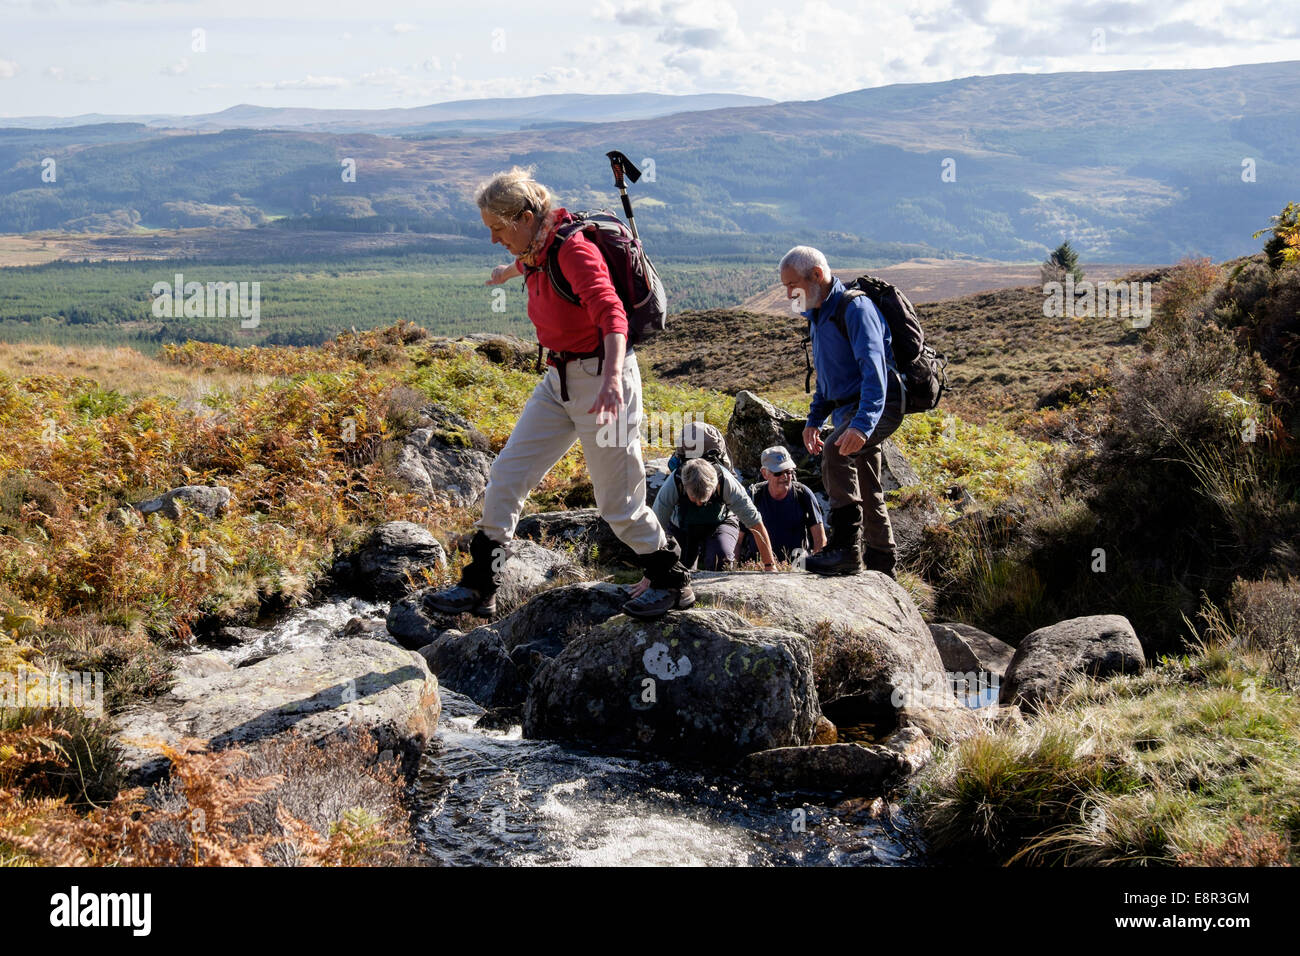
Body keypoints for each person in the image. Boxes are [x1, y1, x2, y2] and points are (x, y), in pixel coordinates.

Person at [426, 167, 692, 619]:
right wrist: (507, 272)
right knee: (507, 475)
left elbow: (612, 315)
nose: (493, 239)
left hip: (603, 383)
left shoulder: (573, 251)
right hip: (560, 380)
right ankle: (481, 586)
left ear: (525, 217)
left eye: (497, 229)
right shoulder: (536, 245)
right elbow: (528, 261)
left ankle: (671, 580)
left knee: (619, 504)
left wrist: (610, 381)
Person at [781, 246, 905, 578]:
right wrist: (815, 420)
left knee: (836, 454)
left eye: (792, 285)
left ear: (817, 276)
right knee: (867, 484)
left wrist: (862, 425)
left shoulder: (855, 308)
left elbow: (874, 373)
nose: (788, 294)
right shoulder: (818, 316)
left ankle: (845, 551)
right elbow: (828, 378)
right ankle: (883, 565)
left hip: (879, 404)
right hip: (850, 409)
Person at [651, 457, 778, 572]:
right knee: (676, 568)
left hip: (721, 522)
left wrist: (769, 566)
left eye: (704, 500)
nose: (699, 504)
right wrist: (649, 576)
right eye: (694, 499)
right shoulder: (673, 484)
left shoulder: (727, 484)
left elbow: (755, 524)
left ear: (714, 485)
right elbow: (655, 530)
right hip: (682, 526)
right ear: (685, 487)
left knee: (721, 561)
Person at [739, 446, 826, 563]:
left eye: (788, 472)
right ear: (765, 473)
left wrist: (817, 566)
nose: (784, 477)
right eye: (778, 473)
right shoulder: (754, 496)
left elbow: (819, 538)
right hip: (759, 567)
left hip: (798, 567)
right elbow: (738, 540)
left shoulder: (803, 494)